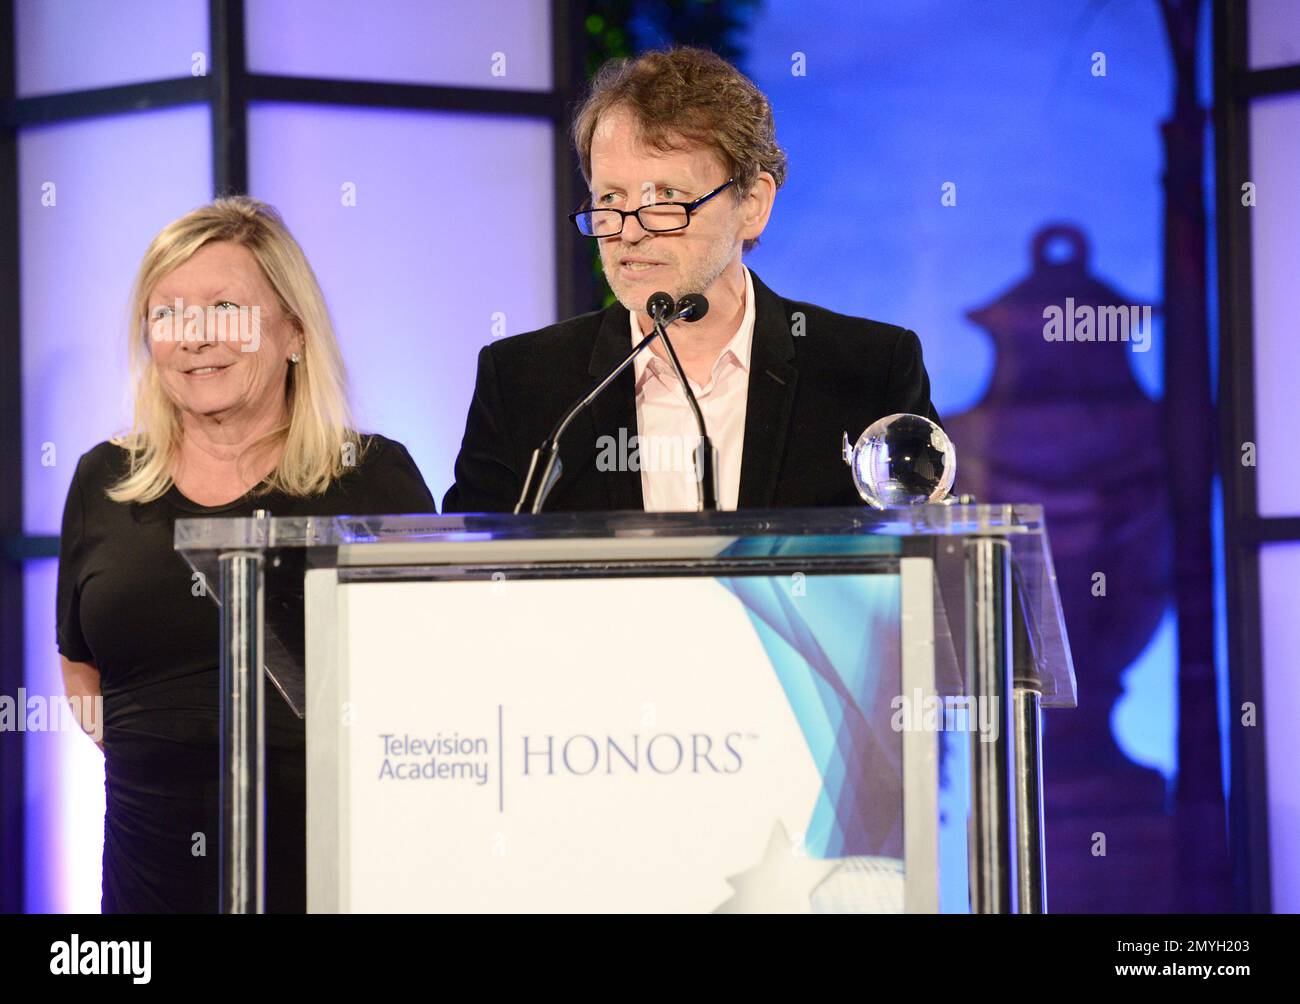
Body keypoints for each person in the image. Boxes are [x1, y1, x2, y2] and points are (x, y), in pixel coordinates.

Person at [56, 196, 436, 912]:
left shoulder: (373, 477)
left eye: (224, 309)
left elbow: (430, 672)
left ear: (294, 330)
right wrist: (167, 756)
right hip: (148, 880)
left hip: (331, 878)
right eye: (167, 313)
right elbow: (80, 661)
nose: (194, 337)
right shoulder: (101, 479)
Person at [443, 46, 940, 514]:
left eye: (666, 199)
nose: (630, 232)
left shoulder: (870, 372)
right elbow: (465, 583)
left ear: (753, 205)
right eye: (610, 200)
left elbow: (929, 576)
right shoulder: (523, 384)